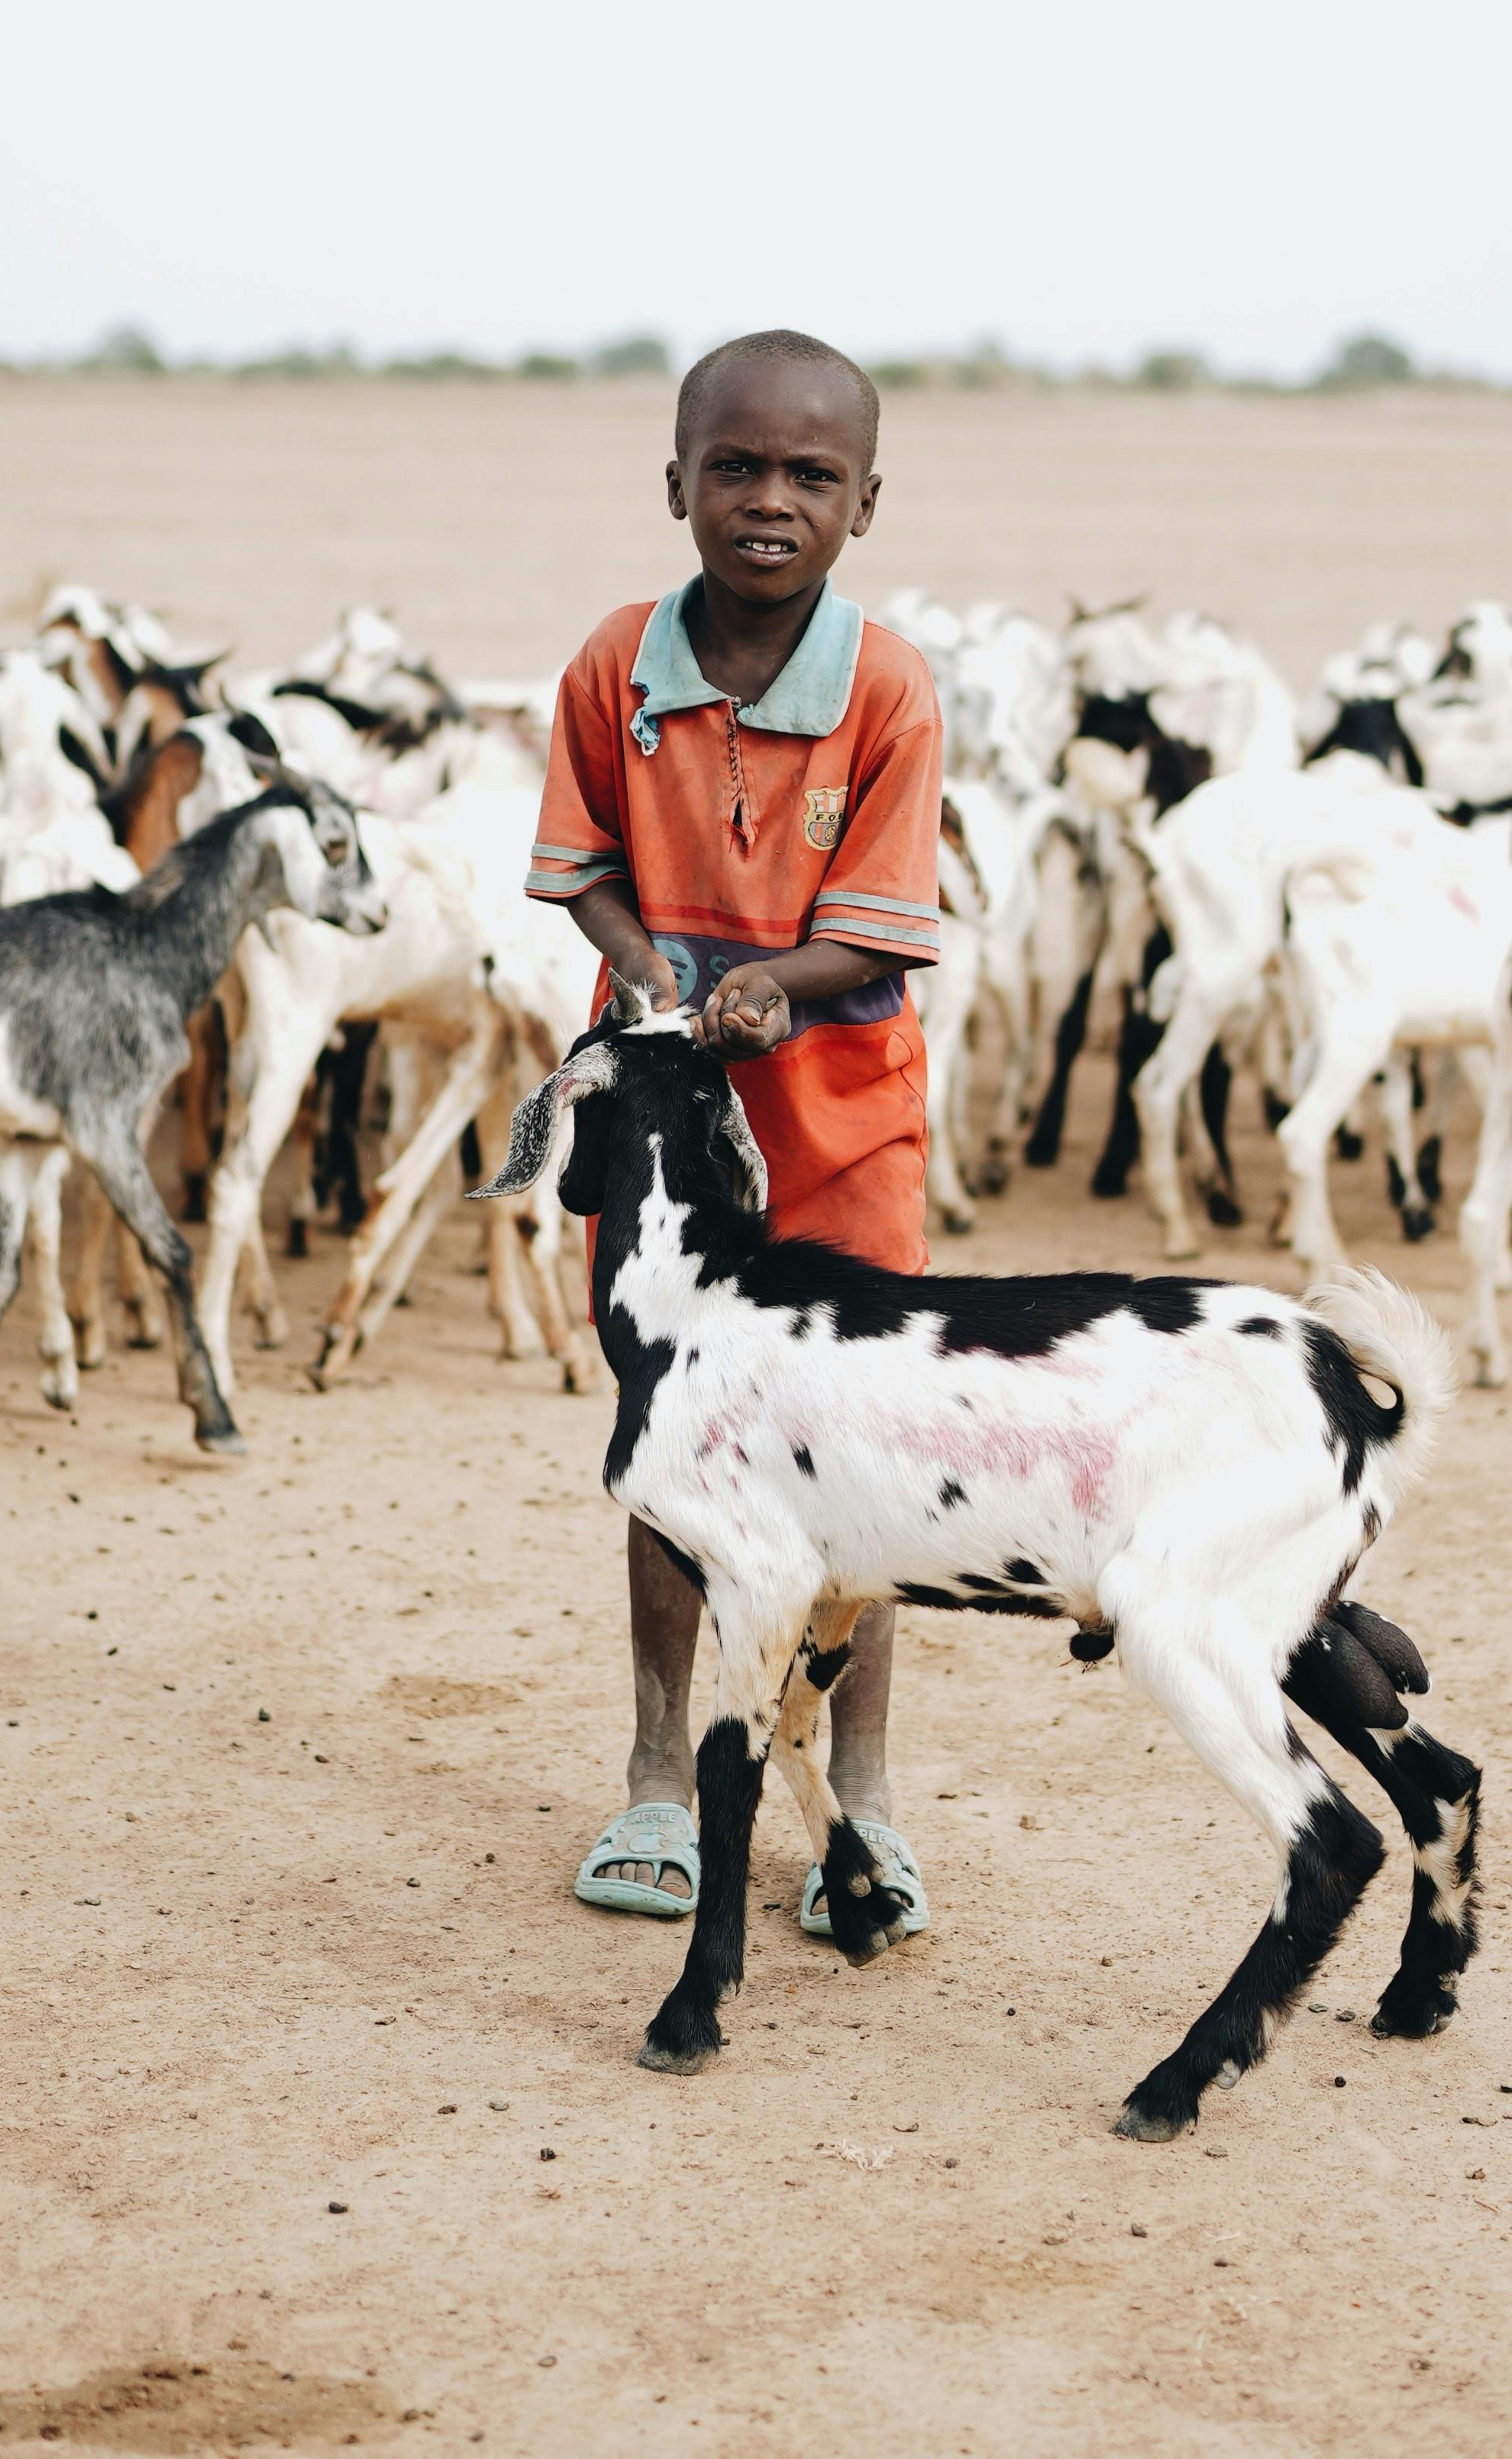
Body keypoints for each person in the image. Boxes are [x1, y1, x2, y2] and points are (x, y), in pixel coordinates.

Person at [526, 325, 944, 1934]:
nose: (771, 499)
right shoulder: (614, 666)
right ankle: (656, 1776)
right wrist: (641, 967)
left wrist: (779, 983)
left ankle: (862, 1802)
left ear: (865, 502)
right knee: (669, 1443)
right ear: (681, 481)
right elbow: (584, 872)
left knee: (858, 1454)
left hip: (839, 1123)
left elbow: (884, 933)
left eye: (811, 476)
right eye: (738, 467)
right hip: (658, 1132)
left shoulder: (888, 686)